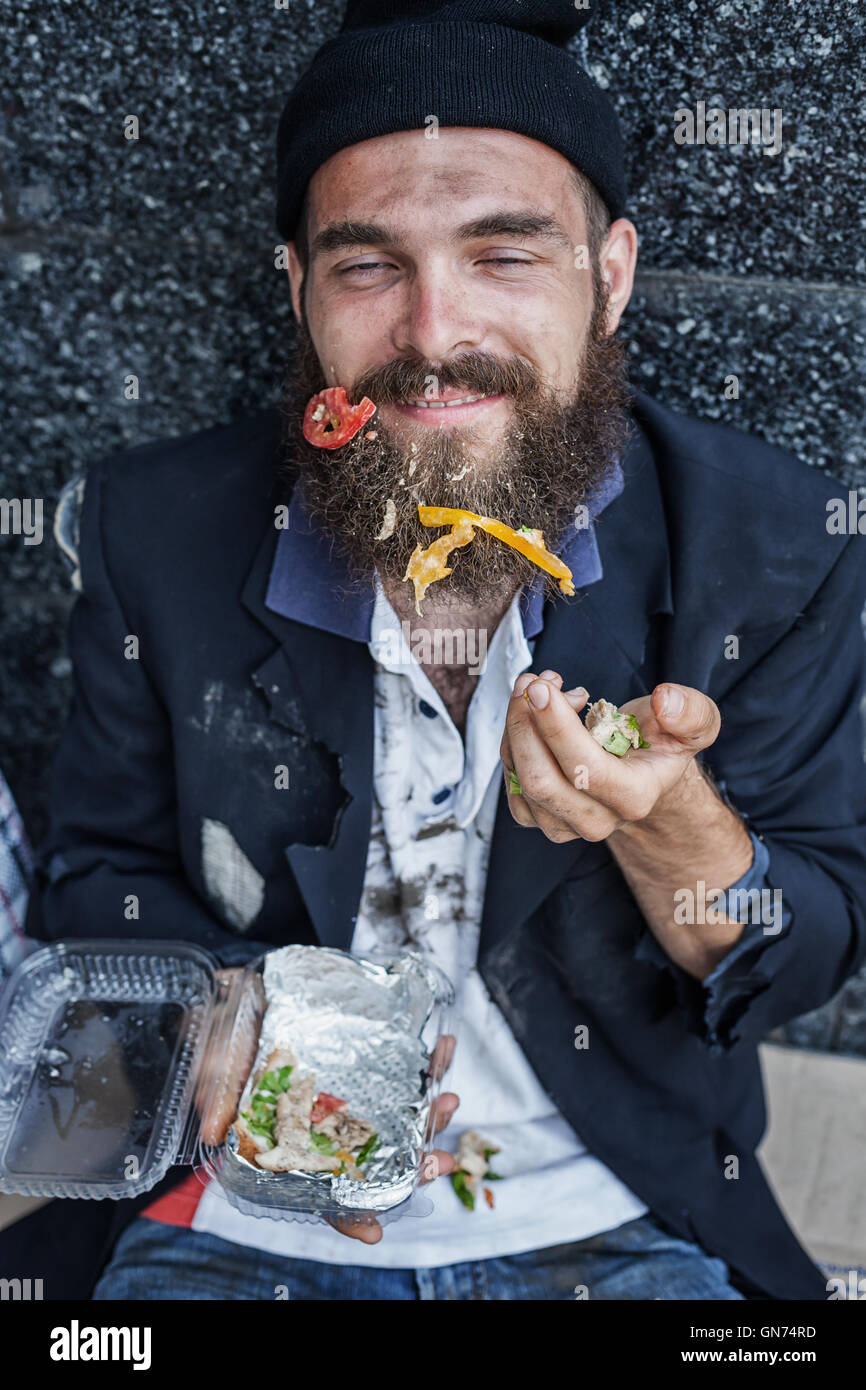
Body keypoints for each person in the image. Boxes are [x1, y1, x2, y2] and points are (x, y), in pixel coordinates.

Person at [23, 0, 866, 1300]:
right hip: (234, 1219)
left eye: (503, 255)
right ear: (299, 290)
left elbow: (800, 953)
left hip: (618, 1224)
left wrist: (671, 828)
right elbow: (98, 872)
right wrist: (206, 1012)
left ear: (613, 270)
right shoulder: (160, 525)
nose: (431, 333)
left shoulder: (770, 545)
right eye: (366, 266)